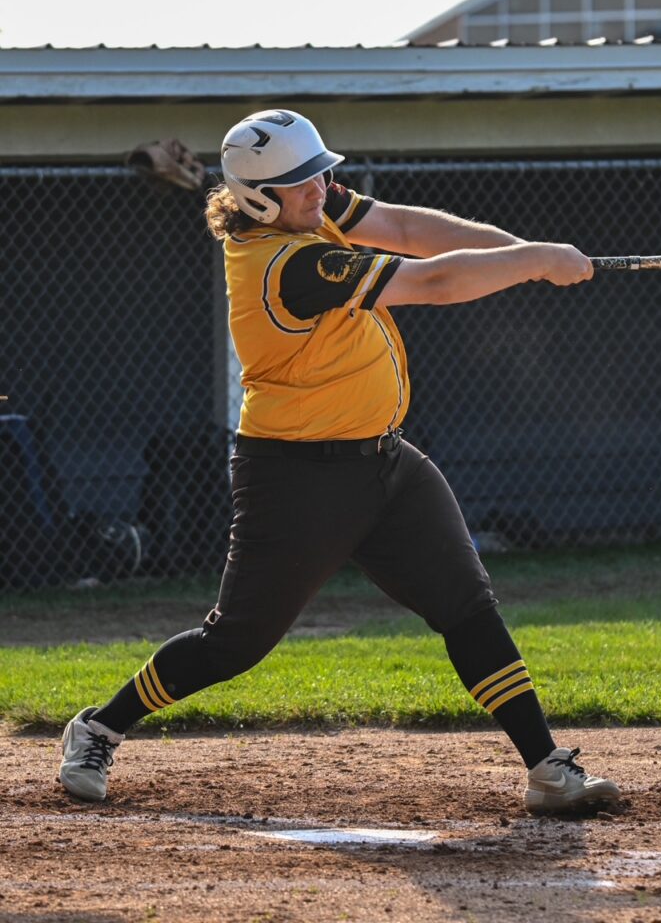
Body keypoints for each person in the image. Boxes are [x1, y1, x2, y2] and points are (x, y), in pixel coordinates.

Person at [58, 109, 620, 816]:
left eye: (320, 170)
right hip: (296, 479)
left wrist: (531, 253)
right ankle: (99, 727)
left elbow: (414, 230)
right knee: (235, 641)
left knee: (468, 606)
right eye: (301, 181)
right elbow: (434, 281)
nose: (321, 186)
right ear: (261, 197)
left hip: (385, 462)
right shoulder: (290, 263)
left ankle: (546, 767)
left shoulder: (307, 212)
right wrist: (536, 262)